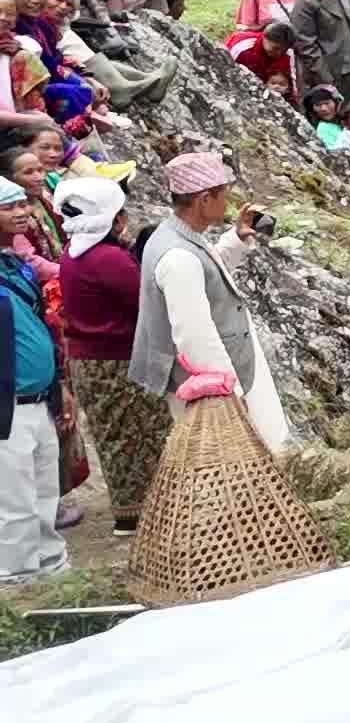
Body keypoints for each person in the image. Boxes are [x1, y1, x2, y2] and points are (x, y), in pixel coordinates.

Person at [132, 150, 289, 454]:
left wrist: (235, 239)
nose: (228, 204)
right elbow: (194, 337)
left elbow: (207, 273)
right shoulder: (178, 258)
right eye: (223, 195)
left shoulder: (179, 237)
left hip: (233, 364)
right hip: (223, 381)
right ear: (204, 199)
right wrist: (231, 394)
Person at [51, 174, 153, 537]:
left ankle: (129, 511)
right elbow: (144, 302)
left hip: (89, 360)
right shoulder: (107, 258)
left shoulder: (74, 253)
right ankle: (141, 513)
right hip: (117, 360)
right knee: (139, 435)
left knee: (115, 436)